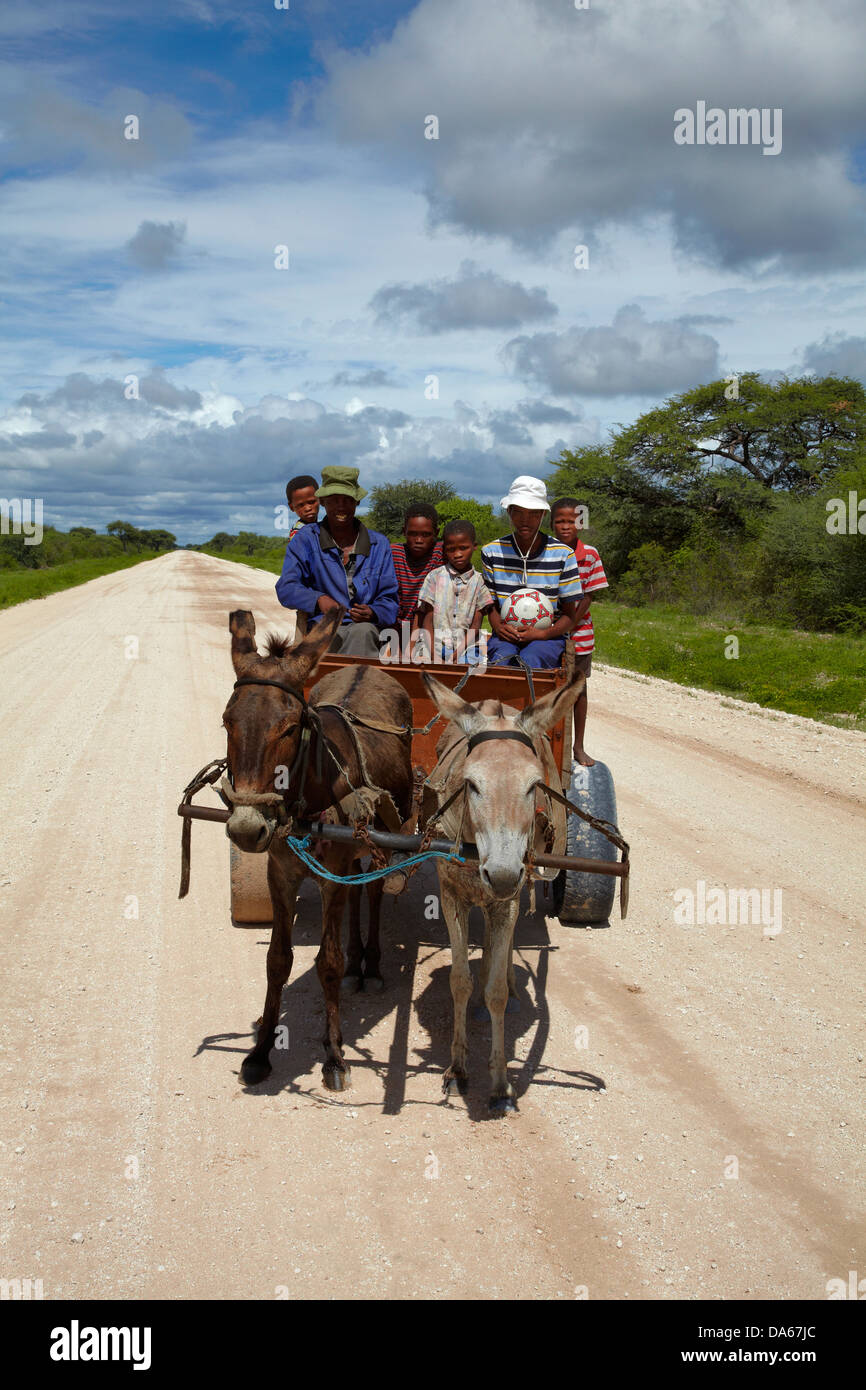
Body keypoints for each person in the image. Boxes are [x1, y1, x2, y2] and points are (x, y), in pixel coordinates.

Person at [275, 465, 398, 656]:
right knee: (326, 636)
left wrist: (373, 612)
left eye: (347, 500)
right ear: (322, 501)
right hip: (322, 625)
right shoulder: (305, 539)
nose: (341, 507)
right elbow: (286, 587)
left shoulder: (379, 544)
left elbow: (390, 600)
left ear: (356, 501)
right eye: (334, 501)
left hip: (366, 630)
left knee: (363, 632)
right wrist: (318, 599)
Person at [481, 475, 582, 669]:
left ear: (543, 515)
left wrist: (542, 634)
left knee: (531, 661)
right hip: (505, 635)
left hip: (548, 637)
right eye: (518, 512)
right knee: (502, 660)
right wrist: (499, 627)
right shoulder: (491, 552)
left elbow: (569, 616)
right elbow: (490, 605)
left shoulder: (563, 555)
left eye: (533, 514)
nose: (525, 520)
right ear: (509, 512)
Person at [551, 496, 609, 767]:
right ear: (551, 524)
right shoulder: (547, 551)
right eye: (560, 521)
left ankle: (578, 746)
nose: (566, 526)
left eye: (571, 520)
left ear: (581, 523)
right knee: (548, 685)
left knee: (578, 688)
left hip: (580, 633)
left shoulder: (591, 555)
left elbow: (590, 594)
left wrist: (570, 622)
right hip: (548, 632)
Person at [416, 520, 494, 662]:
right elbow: (427, 619)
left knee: (468, 669)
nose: (457, 554)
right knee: (423, 665)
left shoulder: (479, 582)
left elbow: (476, 624)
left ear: (474, 546)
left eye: (463, 548)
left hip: (467, 646)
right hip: (435, 643)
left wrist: (457, 654)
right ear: (445, 550)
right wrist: (434, 654)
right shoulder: (434, 577)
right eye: (451, 549)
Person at [391, 504, 443, 627]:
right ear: (404, 531)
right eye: (413, 534)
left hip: (431, 626)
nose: (419, 540)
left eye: (426, 535)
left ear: (436, 533)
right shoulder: (393, 554)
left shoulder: (442, 553)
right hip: (396, 625)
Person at [285, 474, 321, 540]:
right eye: (301, 505)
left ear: (320, 499)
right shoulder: (298, 533)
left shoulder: (320, 527)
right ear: (291, 507)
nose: (308, 508)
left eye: (311, 502)